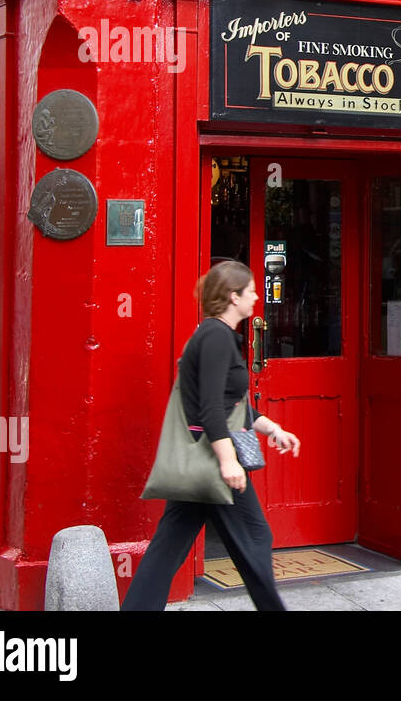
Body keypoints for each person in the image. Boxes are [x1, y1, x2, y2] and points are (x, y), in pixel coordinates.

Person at [123, 261, 301, 611]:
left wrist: (273, 429)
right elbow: (210, 408)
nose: (255, 298)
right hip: (213, 458)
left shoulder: (212, 334)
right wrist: (228, 461)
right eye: (250, 291)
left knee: (168, 547)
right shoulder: (216, 337)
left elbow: (229, 404)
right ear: (233, 297)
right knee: (255, 537)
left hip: (202, 460)